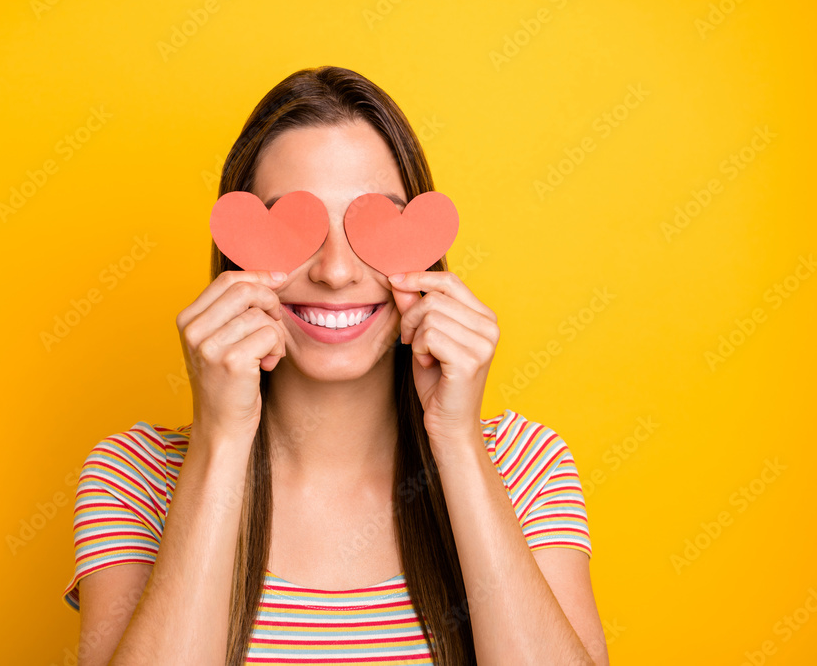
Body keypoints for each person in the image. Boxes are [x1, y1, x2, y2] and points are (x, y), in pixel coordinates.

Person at [61, 65, 610, 665]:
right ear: (236, 253)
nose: (336, 272)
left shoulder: (528, 468)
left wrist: (456, 441)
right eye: (293, 227)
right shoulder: (133, 478)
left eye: (372, 225)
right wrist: (221, 440)